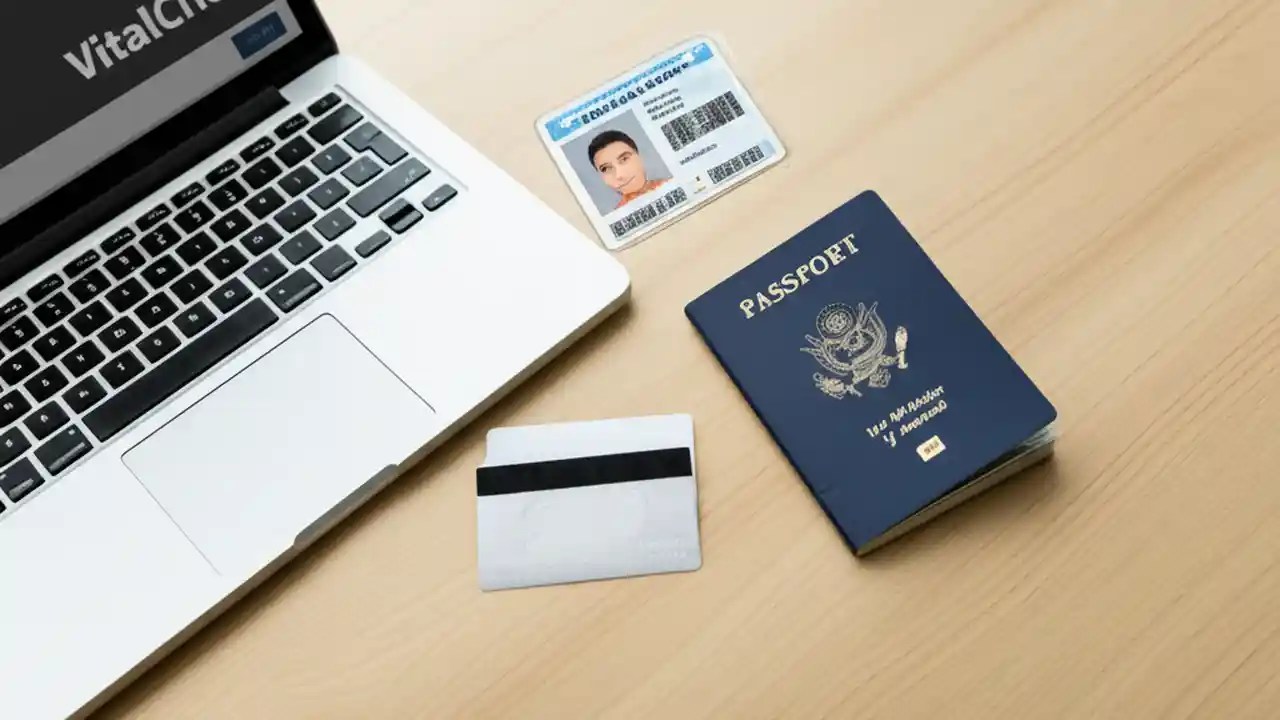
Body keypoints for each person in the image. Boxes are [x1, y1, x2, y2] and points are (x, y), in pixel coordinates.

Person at [587, 129, 668, 209]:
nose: (619, 175)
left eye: (624, 159)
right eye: (606, 169)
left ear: (639, 156)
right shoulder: (618, 216)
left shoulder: (670, 184)